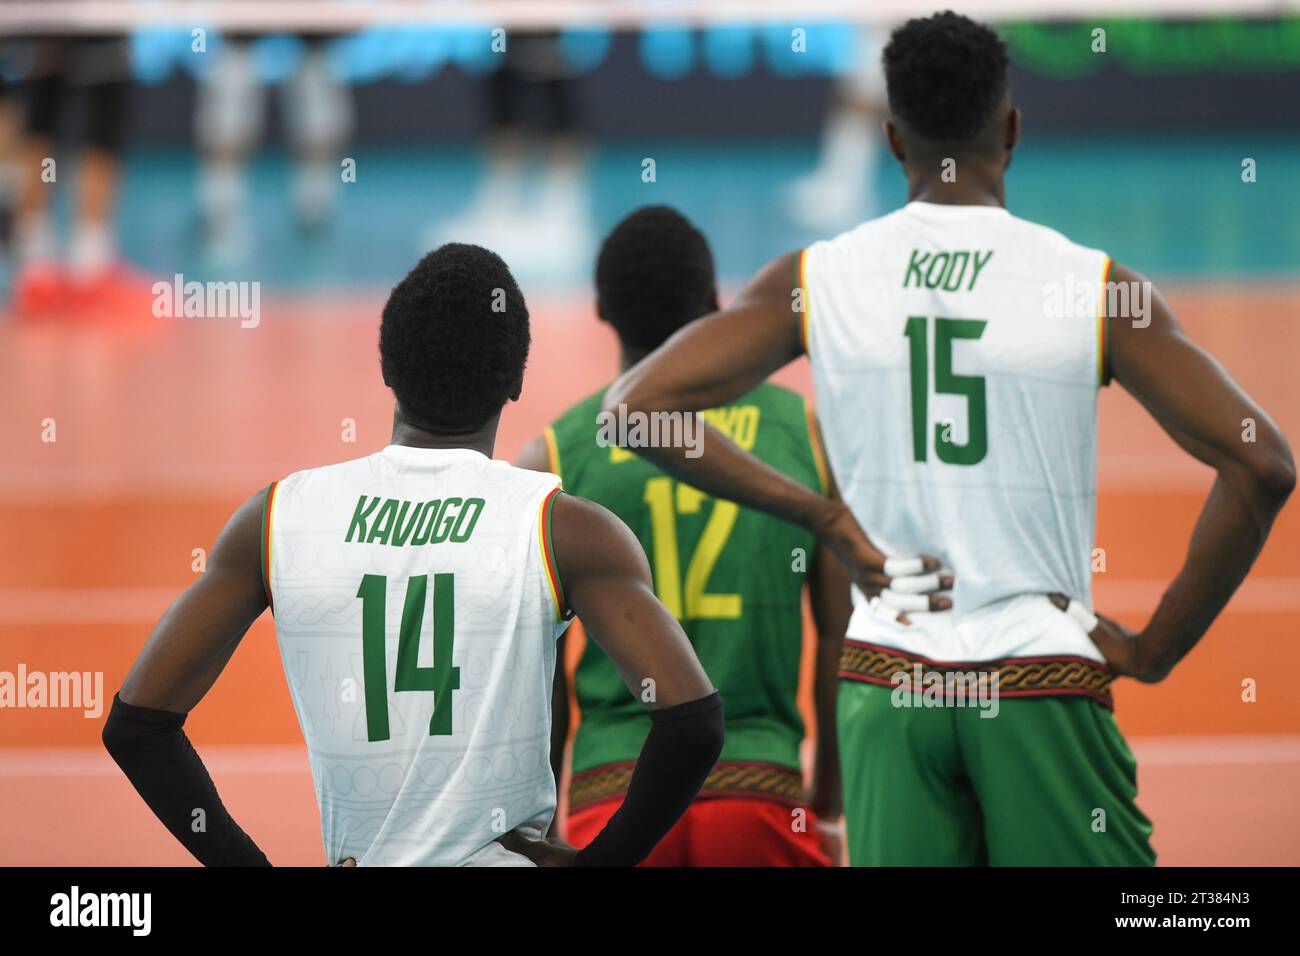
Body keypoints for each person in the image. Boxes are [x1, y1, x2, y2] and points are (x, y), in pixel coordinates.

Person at [602, 12, 1294, 865]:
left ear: (891, 139)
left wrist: (823, 519)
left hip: (891, 686)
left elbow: (633, 408)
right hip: (1039, 678)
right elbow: (1261, 462)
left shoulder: (816, 281)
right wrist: (1155, 649)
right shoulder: (1094, 287)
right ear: (1012, 129)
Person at [103, 243, 723, 867]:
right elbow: (692, 724)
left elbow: (138, 728)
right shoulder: (564, 529)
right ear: (514, 380)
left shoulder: (275, 519)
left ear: (387, 368)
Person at [518, 206, 851, 865]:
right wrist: (830, 800)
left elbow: (537, 671)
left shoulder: (555, 455)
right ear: (714, 305)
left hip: (614, 801)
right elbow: (841, 637)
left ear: (603, 311)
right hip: (760, 788)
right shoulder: (806, 435)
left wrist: (544, 823)